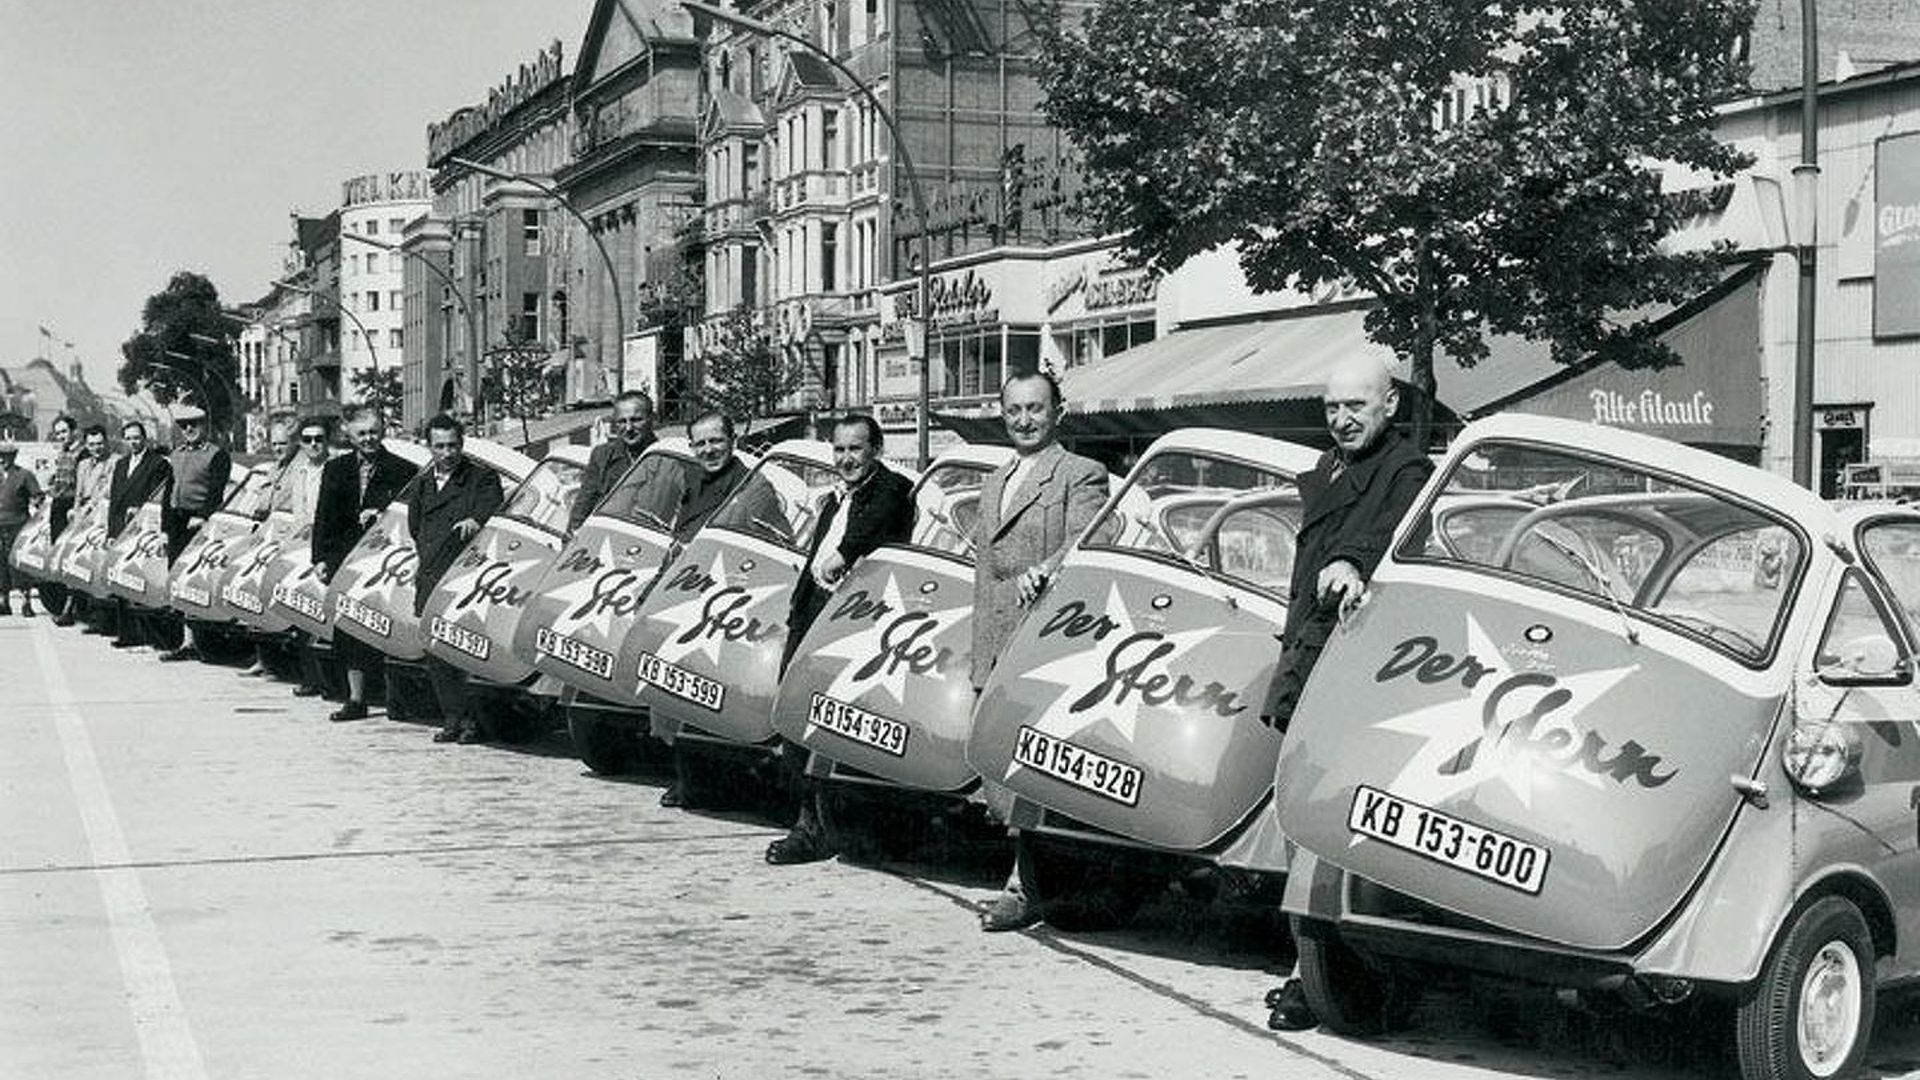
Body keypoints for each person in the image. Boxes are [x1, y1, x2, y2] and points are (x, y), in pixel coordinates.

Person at [1261, 354, 1434, 1033]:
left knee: (1327, 814)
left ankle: (1317, 974)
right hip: (1308, 649)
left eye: (1356, 406)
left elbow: (1384, 531)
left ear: (1389, 405)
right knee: (1296, 811)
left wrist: (1351, 560)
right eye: (1333, 407)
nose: (1342, 419)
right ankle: (1305, 960)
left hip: (1351, 664)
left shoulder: (1406, 469)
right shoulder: (1327, 468)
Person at [971, 371, 1111, 932]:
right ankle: (1026, 878)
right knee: (998, 768)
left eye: (1035, 409)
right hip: (993, 638)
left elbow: (1086, 544)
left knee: (1034, 766)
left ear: (1058, 412)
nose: (1024, 420)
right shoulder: (995, 478)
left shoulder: (1080, 474)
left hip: (1046, 644)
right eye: (1014, 410)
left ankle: (1022, 886)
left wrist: (1050, 569)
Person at [765, 414, 915, 865]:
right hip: (811, 615)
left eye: (856, 449)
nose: (847, 459)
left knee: (838, 721)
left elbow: (872, 527)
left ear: (877, 449)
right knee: (794, 716)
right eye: (840, 450)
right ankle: (807, 820)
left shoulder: (891, 489)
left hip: (856, 624)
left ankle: (829, 828)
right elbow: (816, 557)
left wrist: (845, 554)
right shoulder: (832, 500)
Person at [311, 410, 412, 720]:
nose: (368, 439)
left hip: (383, 562)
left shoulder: (403, 469)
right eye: (362, 434)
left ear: (381, 432)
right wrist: (319, 559)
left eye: (373, 432)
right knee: (349, 627)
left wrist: (381, 514)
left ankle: (396, 698)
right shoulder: (336, 469)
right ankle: (356, 699)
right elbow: (323, 516)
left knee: (385, 623)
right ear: (350, 437)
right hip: (345, 559)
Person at [409, 413, 502, 744]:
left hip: (464, 578)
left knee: (465, 649)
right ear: (429, 447)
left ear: (461, 445)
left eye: (452, 446)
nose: (447, 453)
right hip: (432, 573)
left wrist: (476, 520)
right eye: (439, 446)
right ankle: (451, 718)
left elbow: (492, 510)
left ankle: (473, 722)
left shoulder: (481, 478)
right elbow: (415, 526)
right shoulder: (421, 484)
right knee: (436, 652)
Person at [155, 407, 233, 661]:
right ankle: (186, 640)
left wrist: (204, 516)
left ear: (204, 426)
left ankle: (201, 641)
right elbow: (169, 494)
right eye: (184, 425)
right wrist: (165, 529)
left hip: (199, 523)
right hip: (177, 523)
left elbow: (216, 491)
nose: (189, 430)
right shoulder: (176, 455)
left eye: (194, 425)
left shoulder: (216, 455)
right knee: (177, 580)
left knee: (195, 580)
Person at [106, 420, 171, 648]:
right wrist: (111, 533)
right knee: (121, 578)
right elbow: (114, 500)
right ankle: (126, 634)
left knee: (139, 579)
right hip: (122, 530)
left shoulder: (157, 463)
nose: (133, 442)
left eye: (137, 437)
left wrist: (140, 508)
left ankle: (146, 635)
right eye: (129, 438)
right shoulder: (121, 464)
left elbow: (158, 496)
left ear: (145, 438)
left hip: (144, 531)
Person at [568, 390, 656, 533]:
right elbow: (582, 507)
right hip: (603, 539)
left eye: (636, 420)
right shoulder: (602, 456)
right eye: (622, 421)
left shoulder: (667, 458)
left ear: (653, 419)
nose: (628, 428)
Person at [54, 424, 114, 627]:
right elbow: (79, 492)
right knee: (75, 560)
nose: (95, 448)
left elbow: (107, 491)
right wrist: (75, 509)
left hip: (100, 516)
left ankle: (97, 613)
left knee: (94, 563)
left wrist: (91, 506)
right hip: (82, 516)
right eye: (91, 444)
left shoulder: (113, 462)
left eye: (99, 444)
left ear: (106, 442)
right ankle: (73, 608)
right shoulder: (83, 464)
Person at [670, 410, 752, 542]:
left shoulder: (752, 486)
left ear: (733, 441)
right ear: (692, 448)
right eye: (700, 444)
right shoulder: (693, 480)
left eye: (715, 441)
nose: (708, 450)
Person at [0, 440, 45, 617]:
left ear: (14, 456)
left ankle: (26, 602)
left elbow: (37, 496)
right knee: (0, 564)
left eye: (6, 456)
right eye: (0, 456)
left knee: (20, 564)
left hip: (18, 525)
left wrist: (36, 502)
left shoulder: (24, 475)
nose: (2, 460)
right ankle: (4, 601)